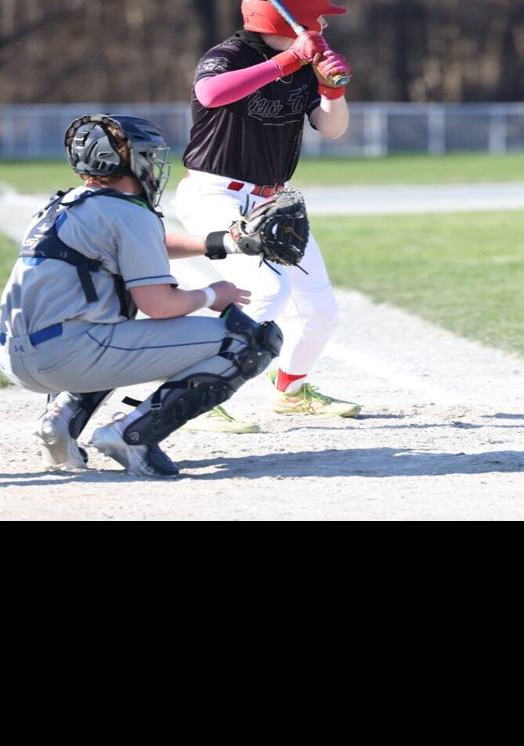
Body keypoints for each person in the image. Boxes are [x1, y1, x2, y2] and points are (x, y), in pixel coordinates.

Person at [0, 114, 283, 479]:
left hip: (16, 355)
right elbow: (159, 305)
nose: (154, 164)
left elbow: (143, 244)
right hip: (67, 356)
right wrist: (213, 295)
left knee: (109, 320)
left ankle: (61, 418)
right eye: (148, 155)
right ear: (128, 160)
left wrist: (222, 243)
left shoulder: (67, 203)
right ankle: (132, 436)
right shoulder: (130, 212)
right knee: (249, 342)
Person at [171, 0, 359, 434]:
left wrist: (332, 90)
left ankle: (290, 390)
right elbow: (211, 93)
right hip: (215, 194)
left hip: (272, 203)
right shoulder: (228, 55)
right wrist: (287, 61)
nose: (324, 23)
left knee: (320, 311)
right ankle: (193, 393)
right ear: (287, 19)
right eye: (318, 15)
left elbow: (332, 128)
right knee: (265, 290)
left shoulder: (305, 66)